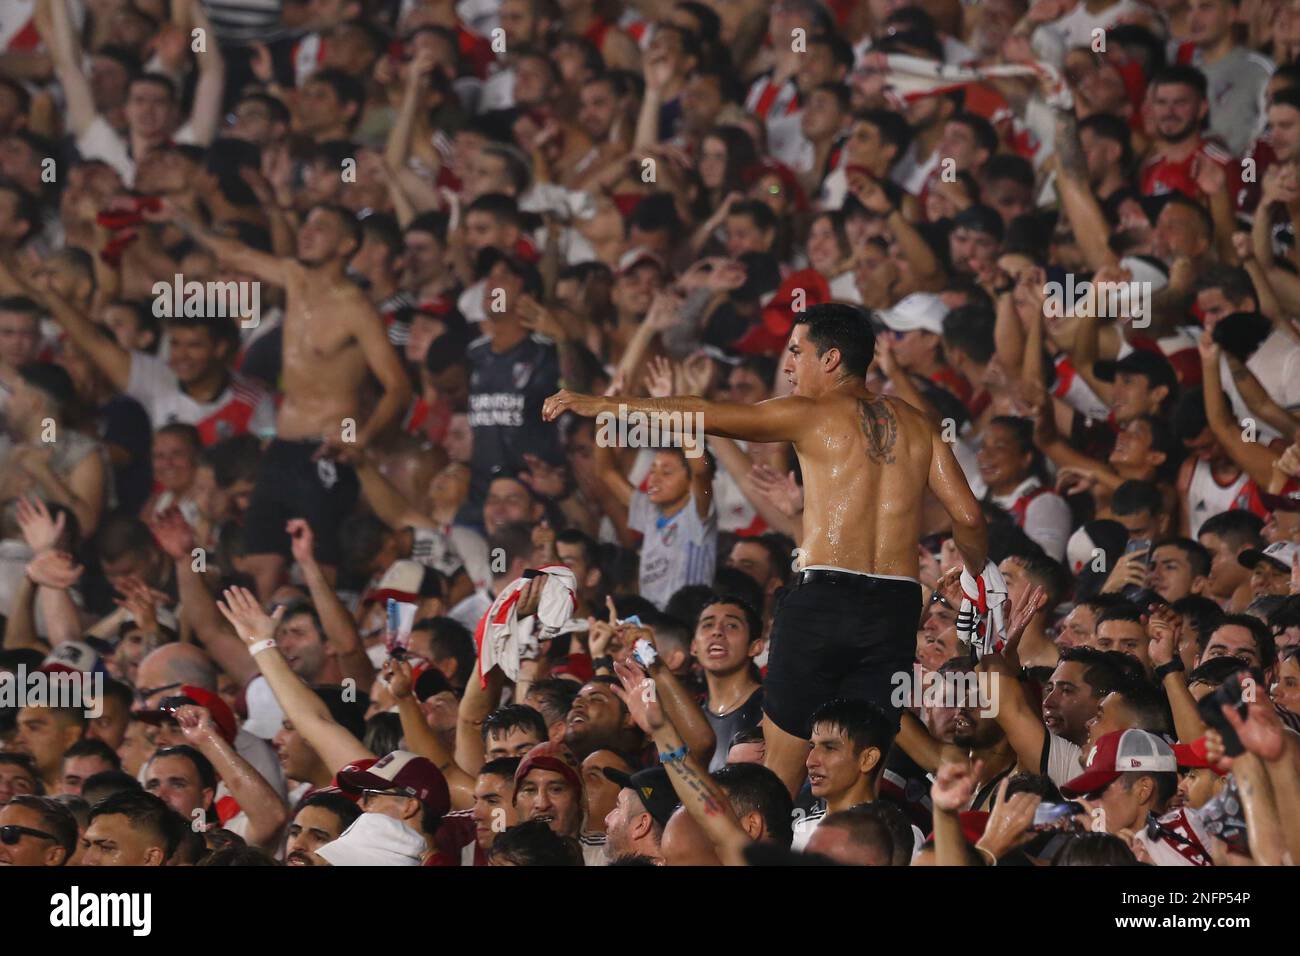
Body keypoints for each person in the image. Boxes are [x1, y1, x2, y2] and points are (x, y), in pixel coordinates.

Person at [544, 303, 991, 795]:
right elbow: (969, 517)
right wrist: (976, 579)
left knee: (776, 779)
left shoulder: (810, 413)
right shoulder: (920, 424)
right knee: (862, 773)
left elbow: (703, 414)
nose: (788, 365)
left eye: (798, 352)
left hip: (823, 599)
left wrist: (602, 405)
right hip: (895, 608)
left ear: (832, 358)